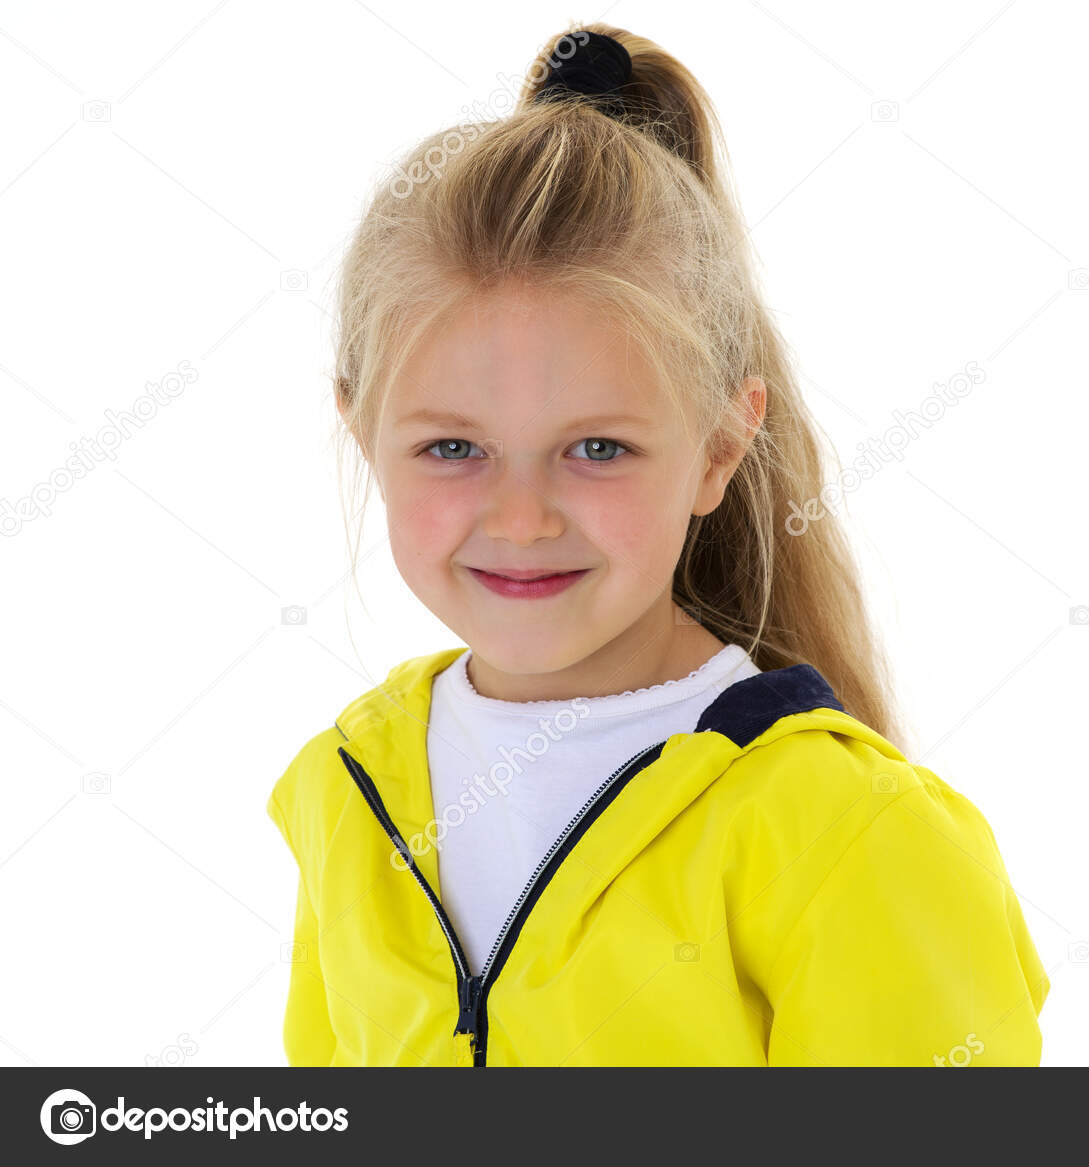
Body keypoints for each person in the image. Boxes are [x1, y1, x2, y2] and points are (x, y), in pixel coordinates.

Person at [265, 22, 1049, 1066]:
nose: (522, 519)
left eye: (597, 448)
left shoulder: (848, 834)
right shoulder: (345, 788)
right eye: (454, 447)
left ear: (721, 447)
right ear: (364, 435)